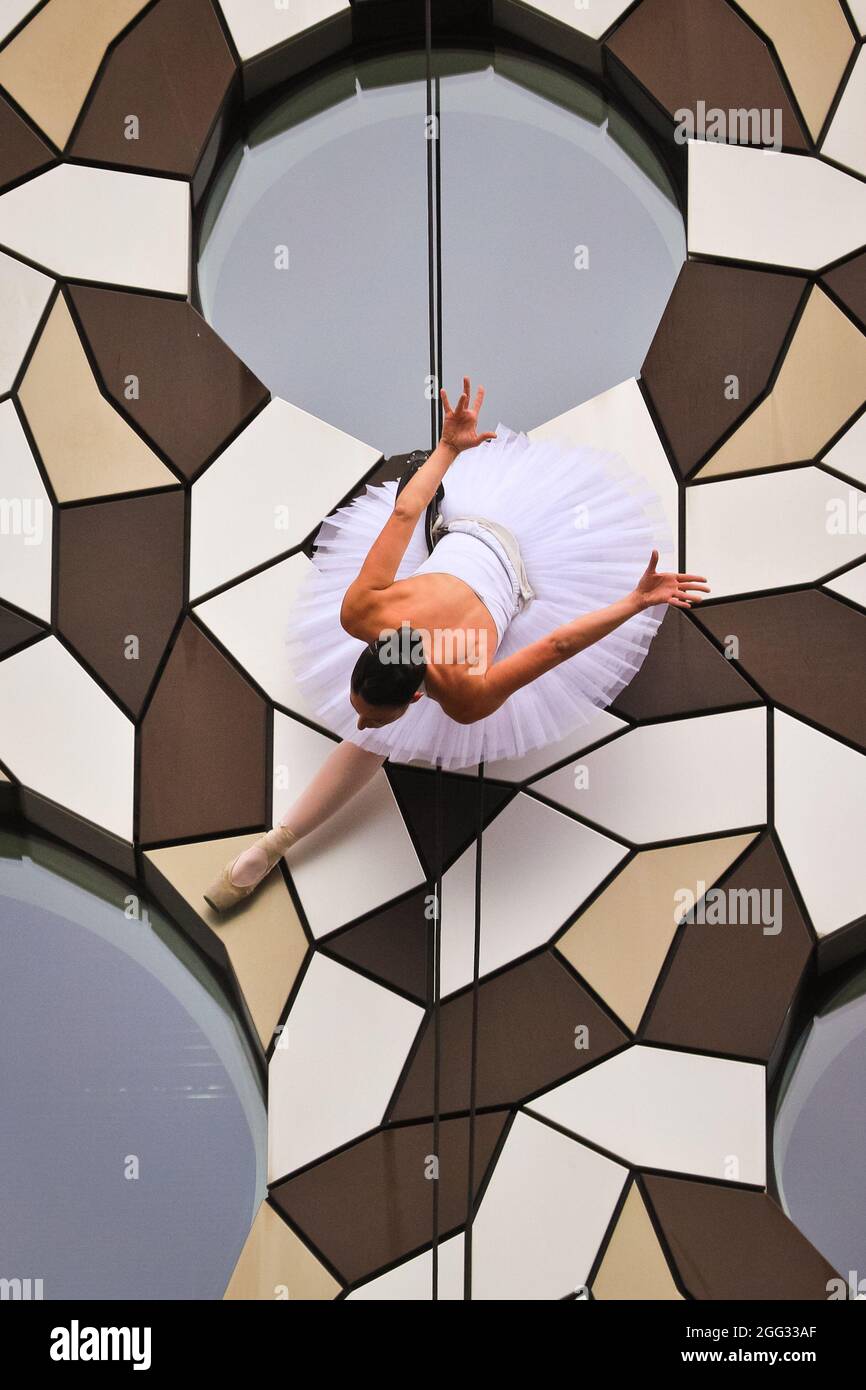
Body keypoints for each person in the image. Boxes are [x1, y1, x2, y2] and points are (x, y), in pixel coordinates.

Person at [204, 378, 708, 912]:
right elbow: (404, 517)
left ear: (415, 694)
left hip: (525, 550)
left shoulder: (454, 686)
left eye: (372, 715)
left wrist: (633, 602)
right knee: (372, 745)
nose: (364, 722)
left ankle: (275, 844)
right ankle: (275, 844)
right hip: (466, 529)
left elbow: (558, 642)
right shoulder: (369, 616)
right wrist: (445, 450)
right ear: (370, 649)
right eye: (368, 712)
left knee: (373, 747)